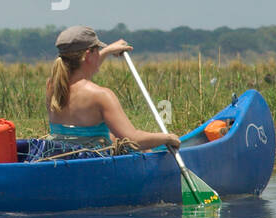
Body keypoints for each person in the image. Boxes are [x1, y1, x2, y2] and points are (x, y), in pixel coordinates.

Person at [43, 25, 180, 153]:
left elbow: (82, 71)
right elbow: (133, 140)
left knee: (113, 137)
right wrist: (167, 137)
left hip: (60, 156)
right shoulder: (101, 95)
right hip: (93, 164)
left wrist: (106, 51)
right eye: (97, 50)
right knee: (140, 148)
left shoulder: (52, 86)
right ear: (89, 54)